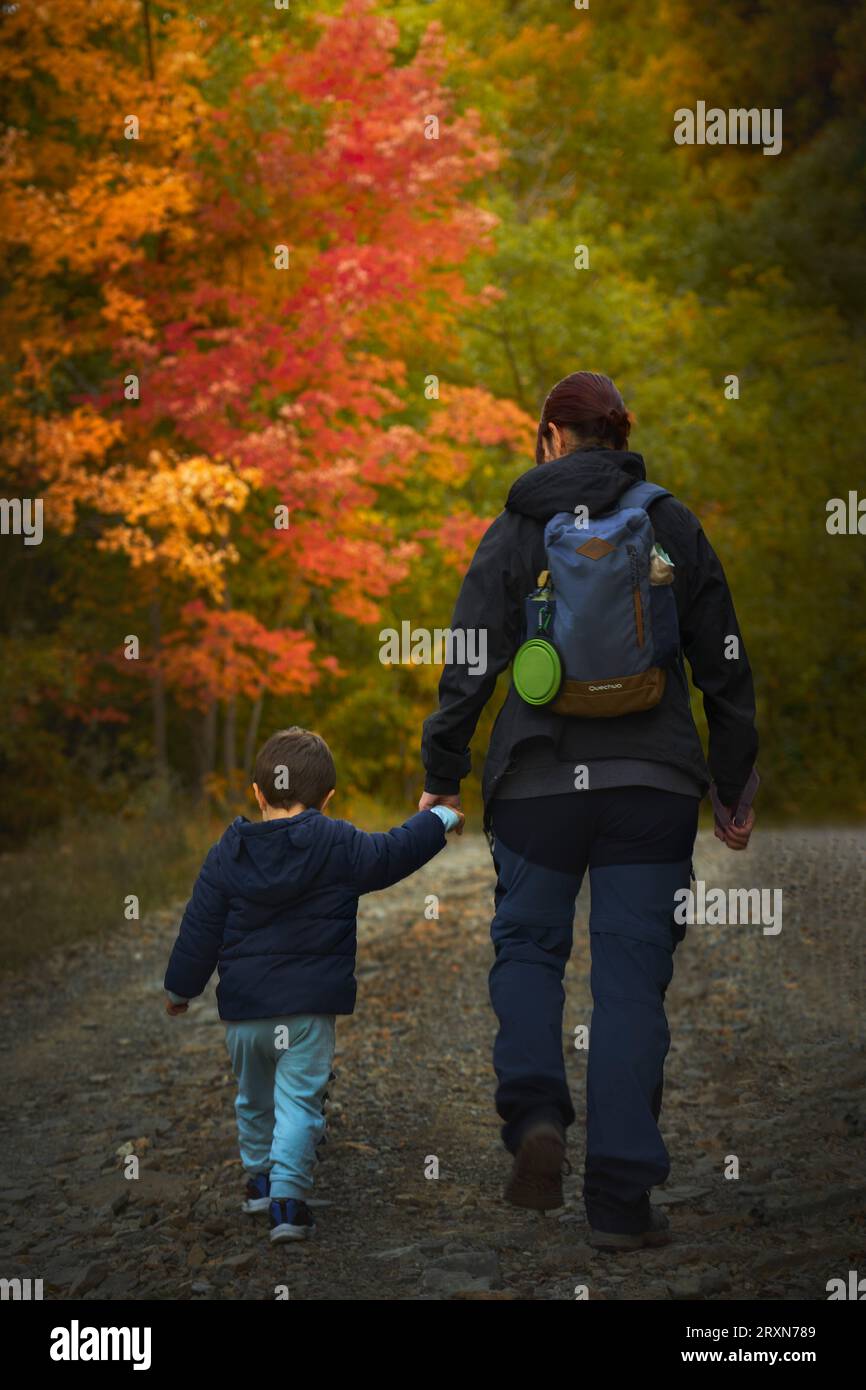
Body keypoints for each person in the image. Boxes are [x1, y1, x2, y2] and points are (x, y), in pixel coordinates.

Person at [420, 371, 758, 1251]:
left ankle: (535, 1114)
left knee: (529, 948)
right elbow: (724, 659)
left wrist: (443, 769)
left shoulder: (519, 526)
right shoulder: (670, 522)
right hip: (649, 785)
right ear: (621, 434)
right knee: (629, 982)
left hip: (536, 784)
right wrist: (732, 778)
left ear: (550, 437)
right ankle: (618, 1200)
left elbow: (469, 654)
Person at [163, 726, 463, 1244]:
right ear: (327, 798)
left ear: (257, 793)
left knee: (253, 1099)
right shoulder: (337, 842)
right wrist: (438, 817)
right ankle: (288, 1202)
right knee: (300, 1103)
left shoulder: (227, 853)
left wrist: (179, 990)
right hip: (305, 1014)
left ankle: (258, 1179)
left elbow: (199, 929)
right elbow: (393, 853)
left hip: (245, 1014)